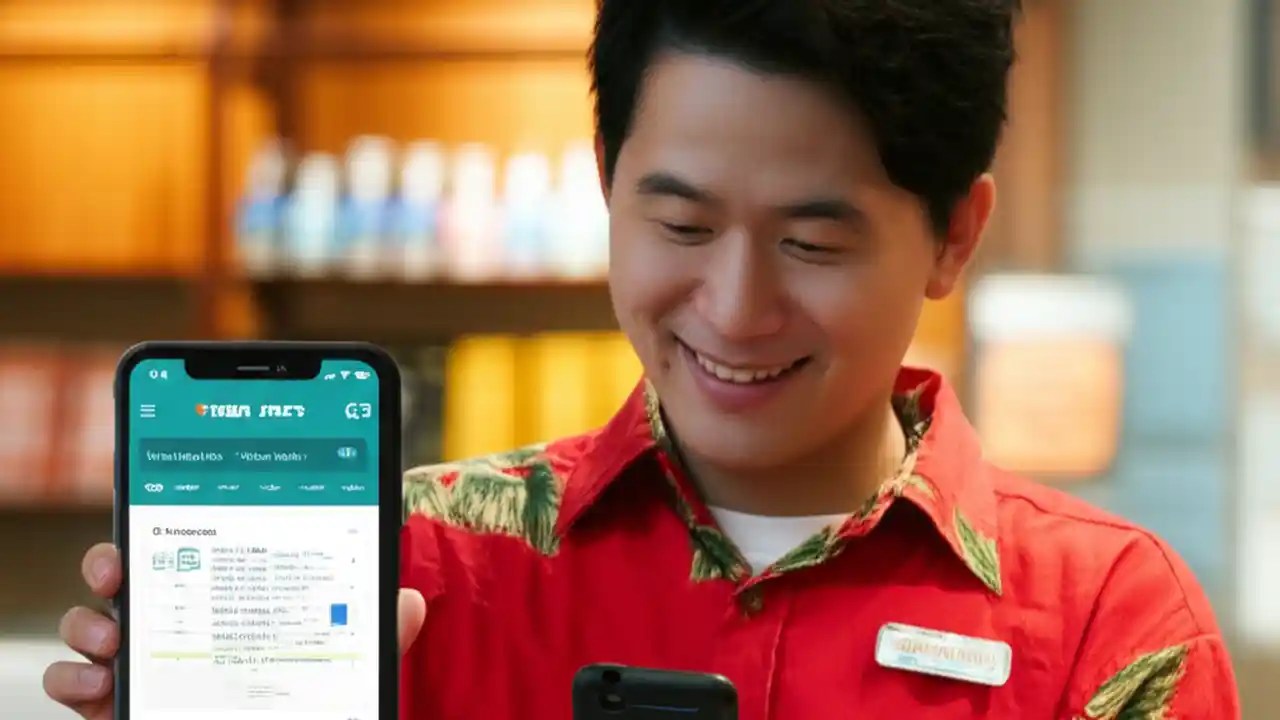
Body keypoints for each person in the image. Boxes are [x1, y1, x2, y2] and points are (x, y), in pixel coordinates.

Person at [46, 1, 1241, 718]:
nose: (733, 307)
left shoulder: (1106, 624)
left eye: (811, 242)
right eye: (679, 227)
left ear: (953, 236)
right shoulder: (401, 572)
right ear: (606, 180)